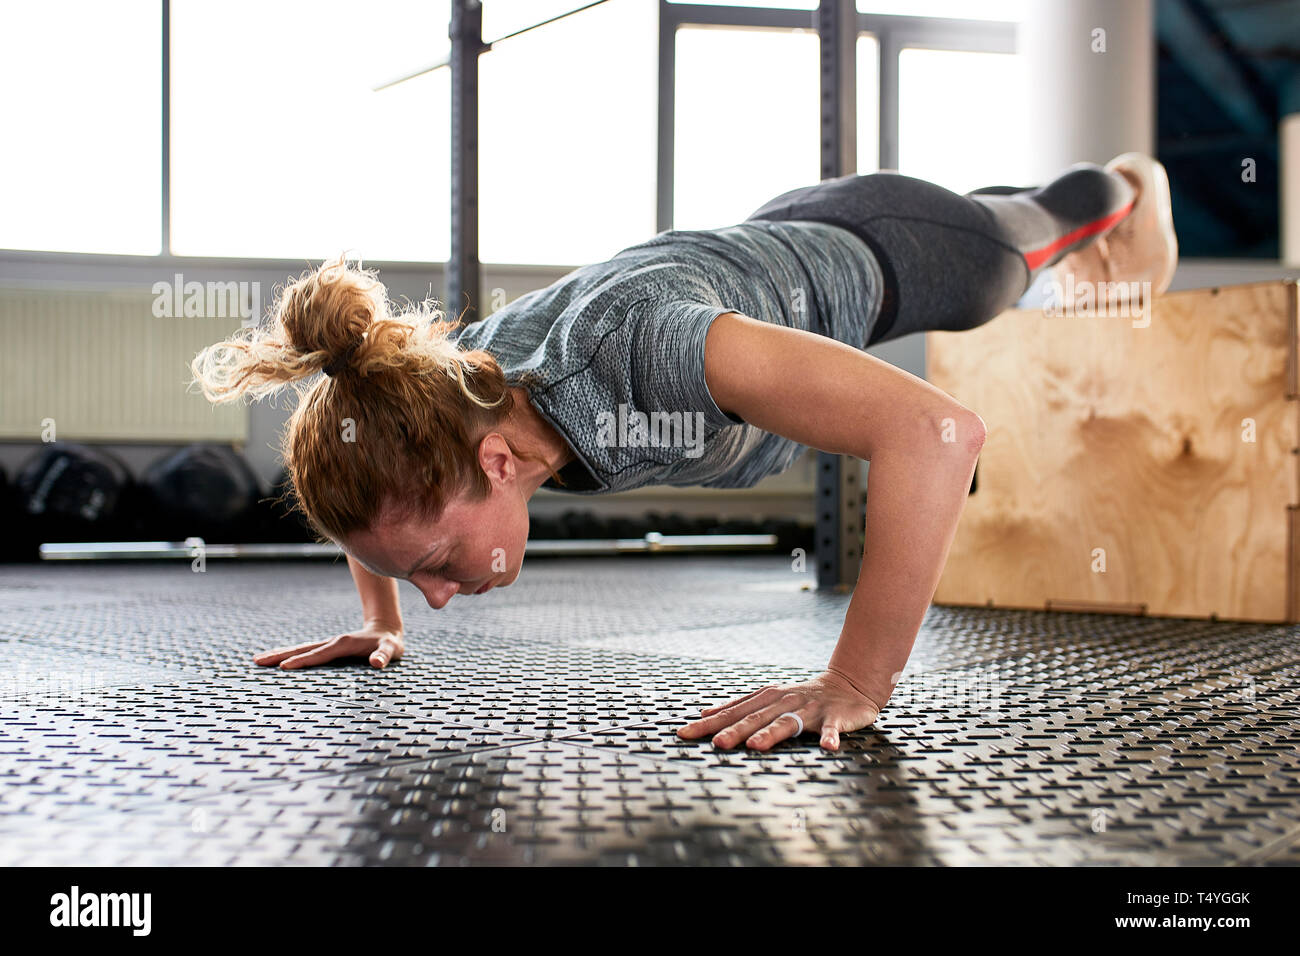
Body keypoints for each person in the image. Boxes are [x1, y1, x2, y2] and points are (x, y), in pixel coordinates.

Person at [190, 153, 1178, 753]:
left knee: (1042, 225)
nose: (441, 593)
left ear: (494, 464)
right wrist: (382, 614)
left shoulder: (636, 355)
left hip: (899, 255)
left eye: (438, 564)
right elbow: (374, 473)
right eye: (423, 575)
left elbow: (938, 431)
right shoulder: (433, 401)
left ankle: (1135, 182)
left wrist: (855, 684)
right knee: (1012, 224)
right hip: (771, 237)